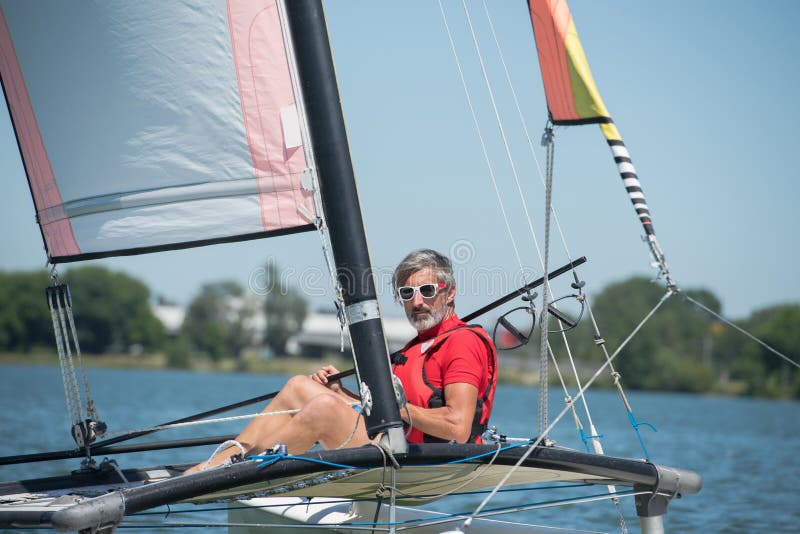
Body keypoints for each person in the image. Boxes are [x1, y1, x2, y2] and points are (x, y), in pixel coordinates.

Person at [185, 249, 496, 474]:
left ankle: (242, 474)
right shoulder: (419, 345)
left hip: (426, 463)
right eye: (407, 292)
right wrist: (341, 392)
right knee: (299, 386)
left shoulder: (461, 342)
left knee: (321, 410)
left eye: (427, 291)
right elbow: (391, 411)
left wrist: (395, 408)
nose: (416, 302)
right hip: (395, 442)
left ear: (450, 292)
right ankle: (222, 460)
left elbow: (457, 427)